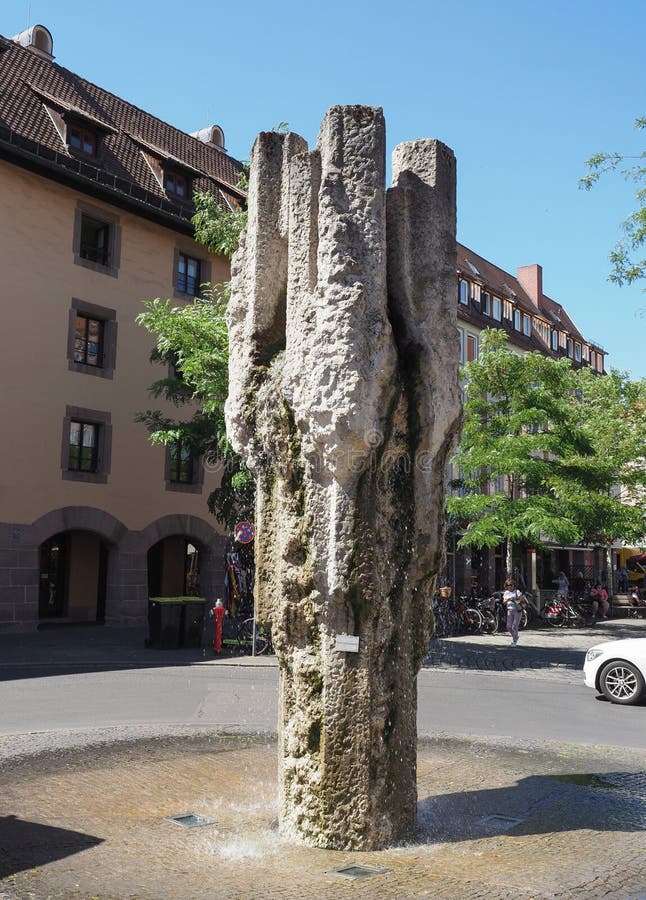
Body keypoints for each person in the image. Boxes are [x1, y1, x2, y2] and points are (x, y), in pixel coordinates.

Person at [502, 578, 526, 648]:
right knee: (508, 626)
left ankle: (514, 641)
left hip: (517, 610)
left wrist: (515, 599)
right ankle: (515, 636)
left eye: (511, 585)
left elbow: (522, 599)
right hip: (509, 611)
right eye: (508, 585)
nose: (509, 586)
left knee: (514, 626)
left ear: (514, 585)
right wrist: (508, 599)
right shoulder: (506, 593)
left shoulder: (517, 591)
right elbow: (504, 602)